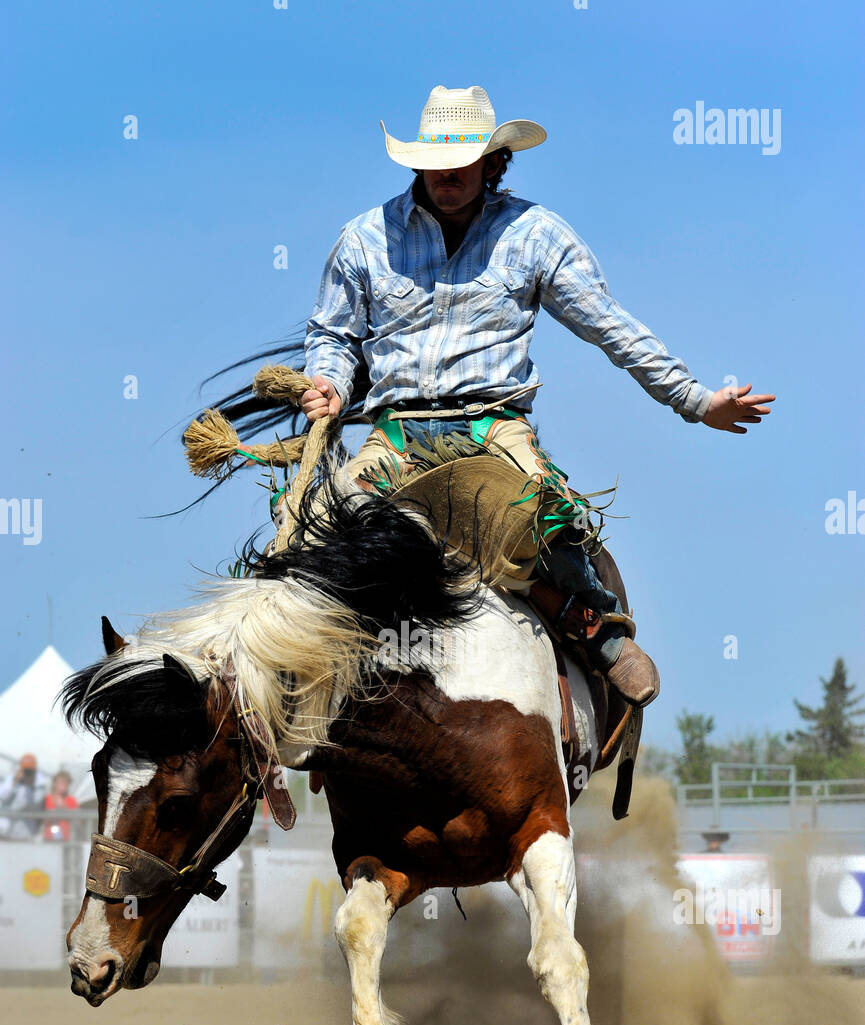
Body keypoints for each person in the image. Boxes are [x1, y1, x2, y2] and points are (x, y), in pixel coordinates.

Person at [301, 85, 774, 706]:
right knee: (316, 535)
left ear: (493, 162)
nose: (448, 174)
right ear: (416, 162)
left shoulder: (533, 233)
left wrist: (695, 400)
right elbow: (333, 333)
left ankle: (595, 630)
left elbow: (609, 325)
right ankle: (278, 707)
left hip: (492, 429)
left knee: (541, 520)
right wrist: (329, 381)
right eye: (436, 162)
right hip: (394, 434)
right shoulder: (364, 238)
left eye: (464, 161)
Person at [0, 753, 49, 839]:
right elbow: (3, 797)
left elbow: (35, 803)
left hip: (28, 829)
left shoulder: (39, 782)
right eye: (25, 770)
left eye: (29, 770)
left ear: (34, 769)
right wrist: (15, 782)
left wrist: (29, 785)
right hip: (9, 828)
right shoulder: (13, 779)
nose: (27, 773)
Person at [42, 770, 78, 842]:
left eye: (67, 783)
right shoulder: (46, 799)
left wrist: (64, 809)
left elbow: (78, 820)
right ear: (55, 783)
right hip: (48, 839)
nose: (64, 785)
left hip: (66, 840)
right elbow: (40, 819)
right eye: (62, 782)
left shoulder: (72, 800)